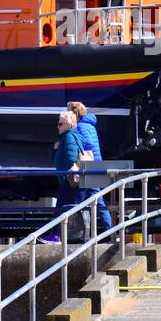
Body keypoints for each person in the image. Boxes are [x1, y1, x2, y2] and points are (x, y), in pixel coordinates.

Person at [69, 102, 113, 235]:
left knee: (78, 200)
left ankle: (72, 233)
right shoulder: (90, 126)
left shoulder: (80, 127)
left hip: (87, 166)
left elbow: (83, 146)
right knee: (98, 199)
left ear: (75, 113)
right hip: (95, 164)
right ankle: (110, 231)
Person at [42, 110, 83, 243]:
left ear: (69, 124)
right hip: (69, 179)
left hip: (68, 179)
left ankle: (56, 236)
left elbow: (71, 158)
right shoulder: (68, 137)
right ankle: (58, 235)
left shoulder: (69, 137)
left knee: (61, 208)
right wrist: (55, 150)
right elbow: (58, 160)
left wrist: (64, 170)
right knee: (65, 207)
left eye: (60, 123)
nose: (58, 126)